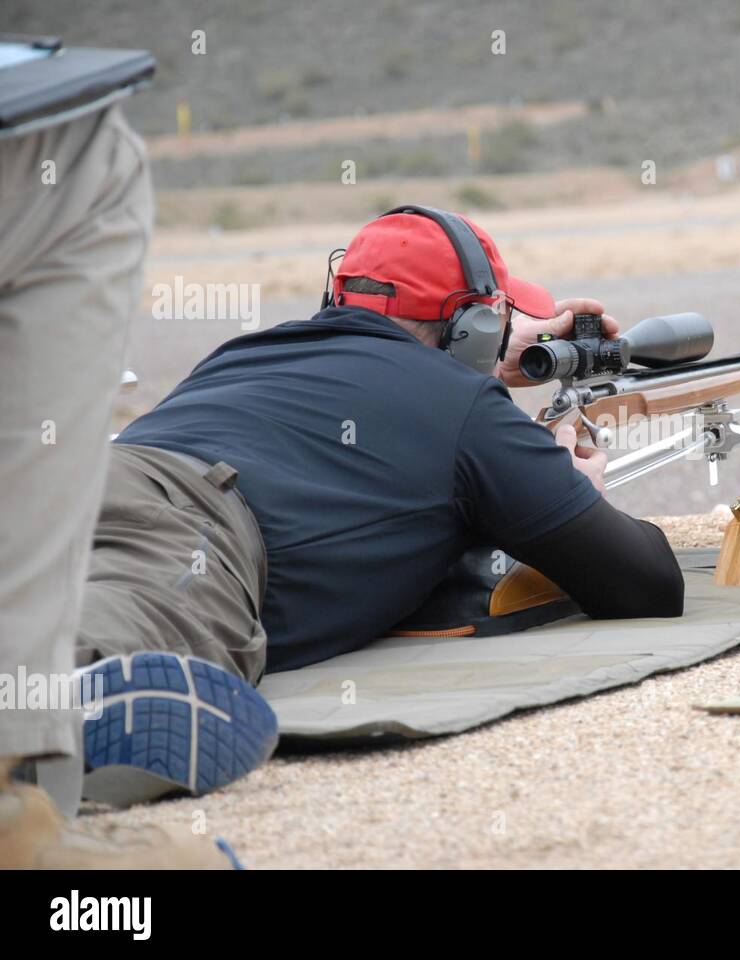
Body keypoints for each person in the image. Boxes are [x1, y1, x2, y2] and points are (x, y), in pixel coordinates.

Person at [64, 207, 685, 810]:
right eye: (493, 316)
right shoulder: (464, 407)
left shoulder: (243, 353)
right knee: (94, 673)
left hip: (82, 484)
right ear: (468, 327)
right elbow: (647, 584)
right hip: (192, 528)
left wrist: (480, 366)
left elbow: (397, 386)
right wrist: (582, 496)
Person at [0, 92, 235, 866]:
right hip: (189, 512)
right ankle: (31, 754)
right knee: (88, 149)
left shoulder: (253, 359)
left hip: (142, 469)